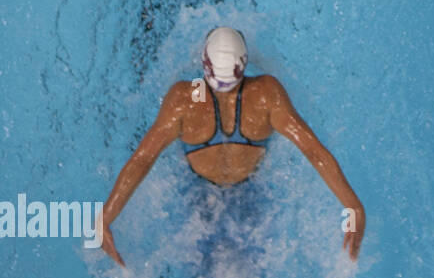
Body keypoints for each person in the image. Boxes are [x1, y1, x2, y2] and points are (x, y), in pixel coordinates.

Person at [100, 27, 366, 265]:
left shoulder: (183, 100)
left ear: (204, 63)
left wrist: (105, 217)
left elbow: (143, 159)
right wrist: (352, 206)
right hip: (250, 191)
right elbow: (313, 151)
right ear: (244, 63)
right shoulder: (267, 95)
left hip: (197, 194)